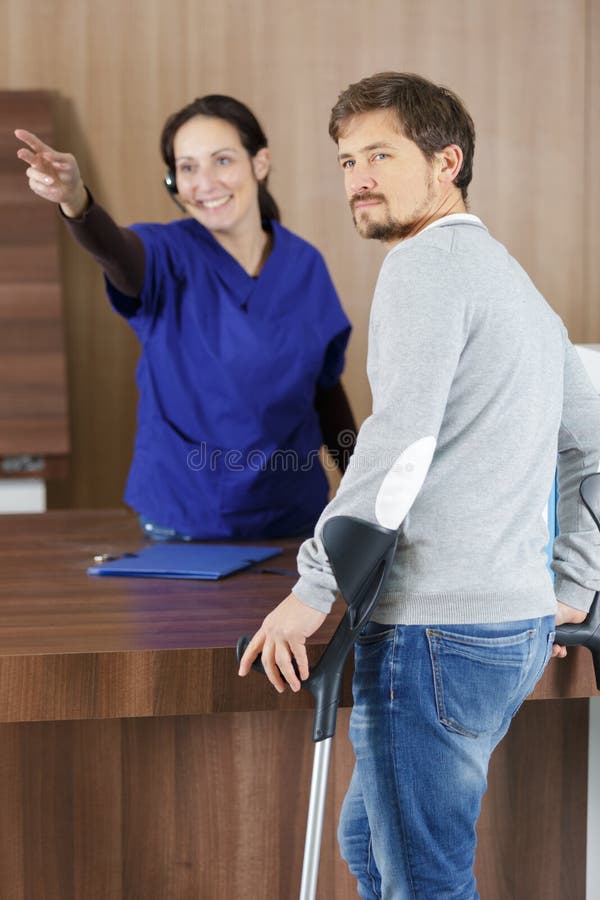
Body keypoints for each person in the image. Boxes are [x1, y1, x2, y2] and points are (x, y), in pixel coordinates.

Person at [239, 72, 600, 897]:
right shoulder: (513, 283)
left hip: (434, 635)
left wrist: (313, 589)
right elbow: (597, 446)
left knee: (424, 882)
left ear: (447, 162)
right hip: (505, 635)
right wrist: (570, 584)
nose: (357, 176)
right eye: (344, 159)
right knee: (372, 848)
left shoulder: (424, 268)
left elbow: (397, 448)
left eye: (380, 154)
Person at [15, 95, 356, 541]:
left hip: (293, 518)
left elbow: (326, 390)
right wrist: (77, 202)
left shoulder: (304, 265)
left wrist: (362, 497)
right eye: (188, 168)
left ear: (260, 163)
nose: (205, 183)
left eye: (222, 161)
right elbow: (116, 253)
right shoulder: (163, 255)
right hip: (184, 521)